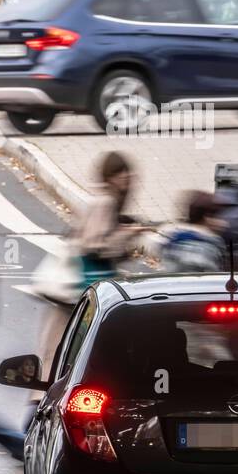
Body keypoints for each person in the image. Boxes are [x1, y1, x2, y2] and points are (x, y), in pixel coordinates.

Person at [37, 152, 146, 368]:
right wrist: (127, 234)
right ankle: (43, 393)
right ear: (109, 176)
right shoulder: (105, 202)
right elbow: (93, 246)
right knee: (67, 345)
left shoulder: (108, 202)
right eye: (119, 173)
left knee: (65, 344)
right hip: (81, 285)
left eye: (127, 173)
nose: (125, 177)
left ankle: (45, 389)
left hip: (84, 285)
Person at [154, 190, 227, 273]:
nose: (224, 223)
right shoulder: (205, 246)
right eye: (219, 217)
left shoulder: (167, 237)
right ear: (207, 217)